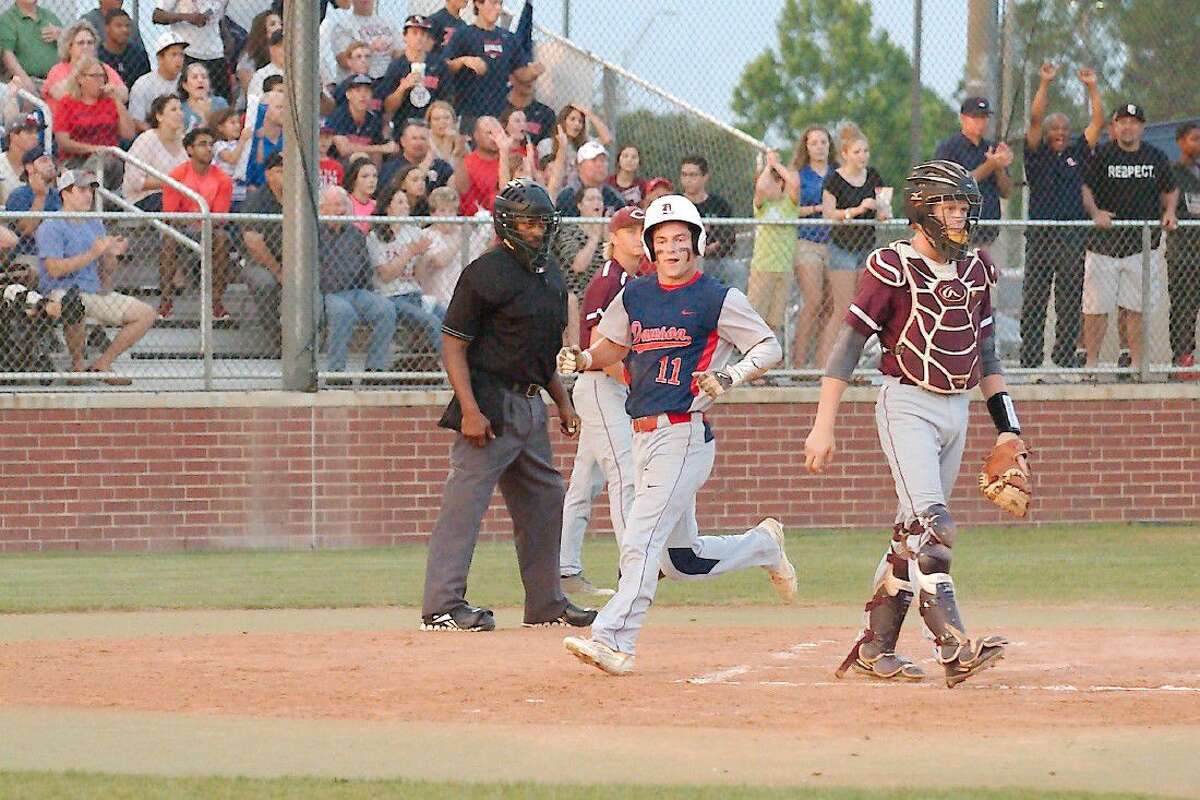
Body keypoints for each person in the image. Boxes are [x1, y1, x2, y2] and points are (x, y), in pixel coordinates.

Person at [556, 194, 793, 676]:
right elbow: (612, 346)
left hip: (684, 433)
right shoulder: (637, 294)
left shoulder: (716, 296)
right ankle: (763, 545)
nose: (671, 248)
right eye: (661, 240)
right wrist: (581, 359)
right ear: (649, 247)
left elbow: (769, 347)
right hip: (642, 432)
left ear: (697, 242)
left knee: (640, 536)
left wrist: (729, 377)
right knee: (682, 558)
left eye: (680, 239)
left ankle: (614, 639)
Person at [803, 160, 1014, 688]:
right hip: (906, 404)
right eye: (949, 206)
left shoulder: (977, 267)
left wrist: (1008, 427)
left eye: (965, 207)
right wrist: (822, 425)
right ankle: (954, 645)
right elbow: (849, 345)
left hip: (958, 407)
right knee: (934, 527)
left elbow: (987, 354)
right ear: (923, 210)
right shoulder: (890, 265)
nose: (960, 217)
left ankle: (875, 648)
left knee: (909, 537)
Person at [421, 177, 595, 633]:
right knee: (465, 504)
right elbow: (453, 345)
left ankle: (546, 604)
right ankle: (441, 605)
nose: (538, 230)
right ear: (506, 223)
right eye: (529, 221)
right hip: (489, 401)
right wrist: (471, 409)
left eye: (544, 222)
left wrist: (563, 402)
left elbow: (539, 352)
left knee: (546, 498)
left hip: (531, 402)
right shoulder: (484, 272)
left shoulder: (550, 274)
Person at [558, 206, 650, 598]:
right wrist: (633, 381)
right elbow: (598, 344)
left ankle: (563, 570)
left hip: (613, 387)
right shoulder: (608, 279)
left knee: (585, 483)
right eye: (631, 230)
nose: (638, 236)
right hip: (600, 384)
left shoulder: (636, 278)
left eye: (642, 229)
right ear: (614, 237)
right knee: (625, 471)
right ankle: (634, 570)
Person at [1081, 102, 1178, 376]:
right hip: (1103, 247)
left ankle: (1137, 366)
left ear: (1142, 127)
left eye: (1133, 122)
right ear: (1114, 126)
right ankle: (1091, 366)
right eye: (1122, 121)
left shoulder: (1155, 157)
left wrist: (1170, 212)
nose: (1127, 126)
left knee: (1137, 309)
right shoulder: (1101, 155)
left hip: (1140, 248)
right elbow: (1085, 187)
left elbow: (1170, 189)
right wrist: (1095, 212)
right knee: (1096, 309)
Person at [1020, 63, 1104, 371]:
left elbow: (1098, 121)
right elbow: (1035, 118)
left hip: (1071, 235)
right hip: (1041, 234)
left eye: (1064, 130)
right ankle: (1030, 356)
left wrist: (1092, 86)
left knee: (1069, 298)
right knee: (1034, 299)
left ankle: (1064, 354)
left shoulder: (1077, 152)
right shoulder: (1035, 152)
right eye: (1054, 129)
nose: (1058, 133)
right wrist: (1044, 82)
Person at [37, 169, 155, 384]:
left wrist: (111, 253)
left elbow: (107, 270)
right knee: (74, 302)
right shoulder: (51, 225)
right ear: (65, 193)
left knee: (145, 313)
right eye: (81, 190)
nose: (88, 195)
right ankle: (77, 366)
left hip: (93, 291)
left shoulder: (95, 223)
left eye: (90, 190)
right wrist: (94, 252)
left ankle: (103, 363)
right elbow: (54, 269)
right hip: (60, 292)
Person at [819, 122, 889, 364]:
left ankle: (850, 363)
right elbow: (829, 213)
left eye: (866, 151)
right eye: (857, 152)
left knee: (862, 310)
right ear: (845, 154)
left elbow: (882, 206)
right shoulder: (834, 179)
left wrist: (881, 211)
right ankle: (823, 365)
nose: (863, 156)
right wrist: (856, 210)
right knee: (843, 309)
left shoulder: (873, 175)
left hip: (865, 247)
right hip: (842, 248)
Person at [318, 184, 398, 378]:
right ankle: (336, 373)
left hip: (354, 291)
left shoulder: (355, 234)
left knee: (386, 308)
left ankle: (374, 369)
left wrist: (368, 291)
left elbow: (364, 268)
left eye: (343, 205)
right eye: (335, 205)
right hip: (325, 293)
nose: (341, 210)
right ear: (323, 209)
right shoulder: (313, 233)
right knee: (344, 313)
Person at [159, 126, 233, 320]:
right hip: (181, 229)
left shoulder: (223, 179)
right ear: (190, 149)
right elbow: (170, 215)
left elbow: (220, 217)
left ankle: (216, 302)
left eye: (211, 145)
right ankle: (165, 301)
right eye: (202, 144)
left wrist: (199, 222)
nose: (208, 149)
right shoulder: (176, 176)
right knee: (168, 238)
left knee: (223, 239)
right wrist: (194, 221)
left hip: (208, 230)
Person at [367, 179, 441, 362]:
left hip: (414, 293)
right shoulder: (376, 236)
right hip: (391, 297)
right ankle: (447, 371)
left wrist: (423, 255)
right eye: (400, 202)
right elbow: (386, 275)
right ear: (387, 208)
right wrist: (410, 252)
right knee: (431, 323)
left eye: (406, 202)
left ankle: (431, 365)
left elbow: (419, 277)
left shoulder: (414, 232)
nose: (406, 206)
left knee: (447, 317)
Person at [442, 0, 544, 123]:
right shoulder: (463, 34)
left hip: (499, 115)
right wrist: (464, 61)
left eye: (500, 4)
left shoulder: (508, 38)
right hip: (468, 114)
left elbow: (521, 74)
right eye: (493, 3)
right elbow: (444, 66)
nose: (498, 8)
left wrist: (533, 72)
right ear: (478, 4)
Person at [935, 97, 1012, 247]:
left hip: (988, 229)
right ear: (963, 118)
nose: (980, 122)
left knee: (986, 268)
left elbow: (1007, 191)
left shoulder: (991, 148)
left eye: (984, 117)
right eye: (975, 117)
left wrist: (999, 167)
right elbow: (960, 185)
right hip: (957, 231)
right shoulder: (949, 148)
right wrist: (991, 164)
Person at [791, 125, 835, 368]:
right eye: (814, 142)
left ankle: (820, 364)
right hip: (807, 242)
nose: (819, 147)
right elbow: (790, 209)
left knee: (830, 306)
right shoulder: (800, 175)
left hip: (836, 245)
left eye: (824, 142)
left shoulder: (839, 173)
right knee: (813, 301)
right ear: (806, 147)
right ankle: (797, 365)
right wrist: (818, 209)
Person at [53, 54, 135, 173]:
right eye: (94, 76)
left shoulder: (109, 102)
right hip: (75, 161)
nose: (100, 80)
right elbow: (63, 142)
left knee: (111, 162)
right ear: (80, 79)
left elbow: (129, 134)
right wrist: (94, 149)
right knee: (102, 161)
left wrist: (116, 99)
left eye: (102, 76)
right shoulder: (67, 103)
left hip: (109, 161)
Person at [747, 148, 799, 338]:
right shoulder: (762, 206)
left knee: (774, 320)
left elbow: (794, 183)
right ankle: (752, 356)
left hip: (783, 268)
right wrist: (768, 165)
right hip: (762, 268)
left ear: (780, 183)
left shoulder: (789, 206)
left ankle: (770, 358)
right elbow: (759, 188)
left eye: (771, 182)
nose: (766, 187)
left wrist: (777, 164)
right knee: (755, 316)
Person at [551, 184, 607, 348]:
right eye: (590, 199)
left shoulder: (608, 230)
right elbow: (579, 265)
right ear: (580, 205)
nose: (597, 202)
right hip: (575, 293)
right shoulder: (569, 230)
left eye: (599, 198)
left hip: (602, 293)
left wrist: (606, 236)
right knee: (572, 301)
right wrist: (594, 238)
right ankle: (576, 354)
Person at [240, 150, 283, 356]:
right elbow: (253, 243)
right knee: (266, 283)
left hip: (294, 262)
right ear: (268, 174)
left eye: (287, 170)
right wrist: (278, 271)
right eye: (279, 171)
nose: (284, 175)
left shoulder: (298, 198)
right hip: (259, 263)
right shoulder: (258, 199)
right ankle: (277, 337)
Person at [375, 15, 446, 138]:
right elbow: (387, 106)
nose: (419, 38)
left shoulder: (438, 64)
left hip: (432, 127)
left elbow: (447, 99)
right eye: (414, 33)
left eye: (423, 34)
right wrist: (403, 88)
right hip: (403, 125)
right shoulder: (396, 66)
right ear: (405, 37)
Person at [420, 184, 487, 314]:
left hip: (466, 296)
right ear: (433, 213)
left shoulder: (466, 232)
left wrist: (488, 234)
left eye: (451, 211)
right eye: (443, 211)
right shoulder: (426, 236)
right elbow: (440, 261)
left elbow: (480, 258)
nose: (448, 216)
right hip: (438, 301)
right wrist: (461, 238)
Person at [1167, 123, 1200, 380]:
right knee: (1184, 304)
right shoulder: (1172, 173)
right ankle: (1182, 357)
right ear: (1180, 142)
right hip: (1184, 249)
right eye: (1194, 139)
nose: (1197, 145)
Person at [43, 20, 127, 116]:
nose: (86, 47)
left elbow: (124, 94)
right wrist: (101, 93)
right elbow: (60, 94)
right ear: (69, 47)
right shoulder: (58, 70)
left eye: (90, 43)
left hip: (98, 120)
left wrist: (113, 91)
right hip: (67, 122)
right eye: (81, 43)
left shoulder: (103, 68)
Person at [151, 0, 231, 101]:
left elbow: (219, 18)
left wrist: (226, 38)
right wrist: (187, 17)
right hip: (187, 53)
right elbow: (157, 15)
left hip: (216, 54)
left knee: (221, 100)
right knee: (187, 99)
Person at [679, 154, 739, 289]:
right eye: (684, 175)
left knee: (737, 270)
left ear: (705, 177)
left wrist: (711, 248)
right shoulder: (676, 202)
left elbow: (728, 237)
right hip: (683, 260)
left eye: (693, 175)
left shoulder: (719, 204)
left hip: (714, 260)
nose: (688, 180)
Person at [121, 93, 186, 210]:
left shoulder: (185, 141)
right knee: (167, 199)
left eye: (181, 109)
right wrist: (171, 182)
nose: (179, 113)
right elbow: (135, 181)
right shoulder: (146, 140)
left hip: (178, 195)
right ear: (159, 116)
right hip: (144, 199)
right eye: (173, 110)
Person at [4, 147, 61, 259]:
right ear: (29, 167)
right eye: (44, 161)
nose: (50, 164)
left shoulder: (59, 195)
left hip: (59, 253)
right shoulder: (19, 194)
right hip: (28, 254)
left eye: (50, 160)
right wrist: (40, 196)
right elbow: (26, 230)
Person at [325, 0, 401, 82]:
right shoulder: (343, 26)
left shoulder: (388, 24)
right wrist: (371, 48)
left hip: (387, 80)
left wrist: (394, 52)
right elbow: (343, 60)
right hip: (356, 84)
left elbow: (402, 50)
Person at [541, 104, 612, 192]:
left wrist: (588, 114)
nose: (577, 124)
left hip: (579, 192)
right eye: (572, 119)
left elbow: (607, 139)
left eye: (581, 121)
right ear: (563, 121)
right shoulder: (547, 144)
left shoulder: (585, 144)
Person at [326, 74, 395, 165]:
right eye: (358, 91)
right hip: (337, 164)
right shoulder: (338, 116)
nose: (363, 95)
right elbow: (344, 149)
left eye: (367, 91)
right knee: (359, 156)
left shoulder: (373, 119)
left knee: (375, 155)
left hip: (364, 168)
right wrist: (381, 148)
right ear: (348, 94)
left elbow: (379, 149)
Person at [378, 119, 457, 195]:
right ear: (403, 141)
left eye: (423, 138)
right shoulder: (390, 168)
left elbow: (455, 191)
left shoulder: (441, 166)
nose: (419, 143)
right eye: (414, 138)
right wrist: (427, 162)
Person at [128, 31, 187, 132]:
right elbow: (136, 121)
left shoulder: (188, 80)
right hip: (155, 135)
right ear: (160, 58)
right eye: (173, 54)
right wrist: (160, 135)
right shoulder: (143, 84)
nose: (179, 59)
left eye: (181, 55)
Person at [0, 0, 64, 91]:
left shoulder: (49, 16)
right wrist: (25, 80)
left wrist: (62, 36)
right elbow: (7, 55)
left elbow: (69, 49)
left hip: (56, 80)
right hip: (28, 81)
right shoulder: (7, 20)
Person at [552, 140, 624, 215]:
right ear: (579, 165)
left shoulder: (613, 197)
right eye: (594, 160)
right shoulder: (567, 197)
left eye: (603, 160)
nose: (600, 164)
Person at [454, 115, 501, 215]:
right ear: (476, 135)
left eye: (498, 133)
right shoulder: (467, 164)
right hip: (474, 221)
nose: (494, 138)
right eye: (489, 133)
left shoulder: (509, 161)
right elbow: (462, 191)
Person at [235, 8, 280, 109]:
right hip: (249, 109)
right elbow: (250, 94)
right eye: (273, 24)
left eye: (280, 24)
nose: (279, 27)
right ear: (262, 31)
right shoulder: (249, 59)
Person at [97, 8, 150, 89]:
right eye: (118, 26)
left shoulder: (139, 55)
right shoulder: (97, 55)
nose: (124, 30)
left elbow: (146, 83)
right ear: (107, 28)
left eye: (127, 26)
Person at [209, 105, 251, 208]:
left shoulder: (239, 144)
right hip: (226, 193)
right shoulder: (219, 145)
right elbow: (231, 159)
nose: (237, 126)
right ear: (220, 127)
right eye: (232, 123)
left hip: (242, 192)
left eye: (238, 123)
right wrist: (243, 140)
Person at [504, 69, 555, 148]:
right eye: (525, 77)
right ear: (512, 78)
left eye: (533, 77)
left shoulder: (546, 113)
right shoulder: (497, 105)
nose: (529, 81)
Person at [0, 114, 42, 206]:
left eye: (36, 132)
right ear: (13, 136)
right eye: (29, 132)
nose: (36, 137)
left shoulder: (42, 164)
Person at [178, 60, 226, 134]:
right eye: (194, 77)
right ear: (185, 85)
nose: (200, 80)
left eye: (204, 77)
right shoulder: (181, 110)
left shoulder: (220, 103)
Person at [342, 156, 377, 232]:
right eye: (365, 176)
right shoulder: (345, 203)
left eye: (374, 176)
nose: (372, 180)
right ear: (354, 179)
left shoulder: (376, 206)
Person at [425, 99, 462, 164]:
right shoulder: (425, 140)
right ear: (430, 122)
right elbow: (443, 167)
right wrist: (447, 143)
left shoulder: (460, 141)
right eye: (436, 119)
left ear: (454, 121)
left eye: (446, 118)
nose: (442, 122)